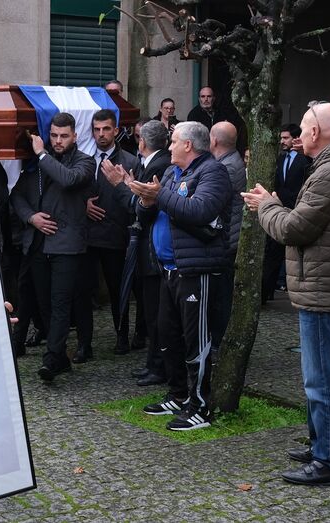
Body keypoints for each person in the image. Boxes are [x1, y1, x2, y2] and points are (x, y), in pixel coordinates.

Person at [242, 102, 330, 486]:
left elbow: (295, 229)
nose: (299, 136)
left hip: (323, 291)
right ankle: (323, 447)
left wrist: (266, 206)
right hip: (328, 286)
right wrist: (277, 206)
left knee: (322, 381)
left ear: (315, 134)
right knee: (322, 378)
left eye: (302, 128)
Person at [130, 121, 231, 431]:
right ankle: (177, 394)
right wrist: (146, 200)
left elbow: (199, 212)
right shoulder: (175, 173)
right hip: (169, 269)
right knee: (167, 335)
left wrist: (159, 196)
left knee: (195, 342)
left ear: (188, 145)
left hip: (195, 270)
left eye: (173, 141)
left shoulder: (212, 172)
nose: (169, 146)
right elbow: (153, 214)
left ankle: (200, 407)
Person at [10, 112, 94, 382]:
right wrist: (30, 217)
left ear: (75, 136)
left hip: (67, 245)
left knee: (60, 304)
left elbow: (69, 179)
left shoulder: (85, 161)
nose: (58, 141)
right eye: (54, 136)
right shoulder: (37, 165)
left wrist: (43, 155)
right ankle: (59, 358)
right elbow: (17, 195)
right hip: (37, 244)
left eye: (64, 136)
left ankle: (51, 359)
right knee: (43, 303)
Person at [102, 119, 171, 386]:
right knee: (149, 309)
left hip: (152, 249)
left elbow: (140, 206)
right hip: (145, 248)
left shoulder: (160, 164)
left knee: (154, 313)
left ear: (142, 141)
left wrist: (120, 185)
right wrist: (130, 183)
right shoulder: (149, 163)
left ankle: (159, 366)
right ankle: (153, 363)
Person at [74, 109, 138, 363]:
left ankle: (122, 335)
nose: (101, 134)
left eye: (106, 129)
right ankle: (83, 344)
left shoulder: (130, 162)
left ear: (115, 130)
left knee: (117, 290)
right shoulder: (85, 159)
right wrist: (83, 205)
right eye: (97, 129)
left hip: (116, 236)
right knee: (82, 291)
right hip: (88, 237)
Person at [208, 122, 245, 359]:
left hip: (226, 241)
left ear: (213, 142)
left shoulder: (227, 167)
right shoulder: (229, 161)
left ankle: (219, 345)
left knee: (221, 297)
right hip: (228, 239)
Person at [262, 123, 311, 303]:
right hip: (280, 209)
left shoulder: (304, 160)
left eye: (285, 138)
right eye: (281, 138)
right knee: (272, 254)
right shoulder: (281, 159)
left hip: (297, 210)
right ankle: (266, 292)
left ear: (295, 138)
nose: (282, 141)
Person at [186, 86, 248, 154]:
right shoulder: (194, 114)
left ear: (214, 98)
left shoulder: (221, 112)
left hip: (221, 151)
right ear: (199, 99)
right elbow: (191, 137)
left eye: (209, 96)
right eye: (203, 96)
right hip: (202, 152)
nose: (206, 99)